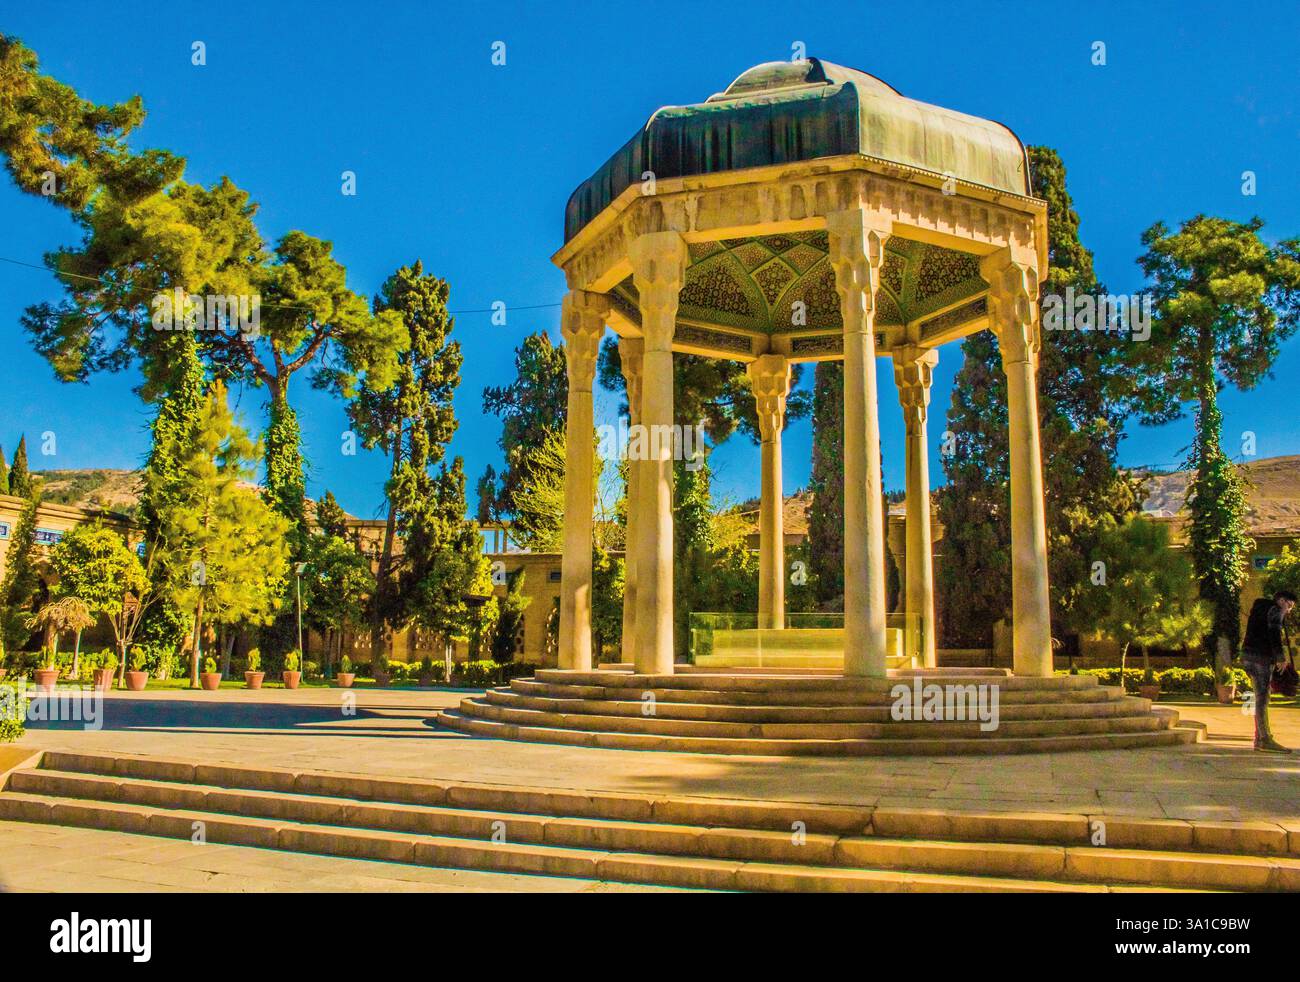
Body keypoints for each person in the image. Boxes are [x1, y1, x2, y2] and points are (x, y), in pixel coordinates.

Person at [1241, 589, 1296, 753]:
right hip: (1262, 659)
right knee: (1262, 699)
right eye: (1290, 606)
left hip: (1247, 656)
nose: (1289, 610)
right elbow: (1274, 634)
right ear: (1282, 601)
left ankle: (1259, 738)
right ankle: (1265, 738)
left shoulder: (1258, 608)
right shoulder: (1275, 610)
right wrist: (1280, 657)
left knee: (1260, 697)